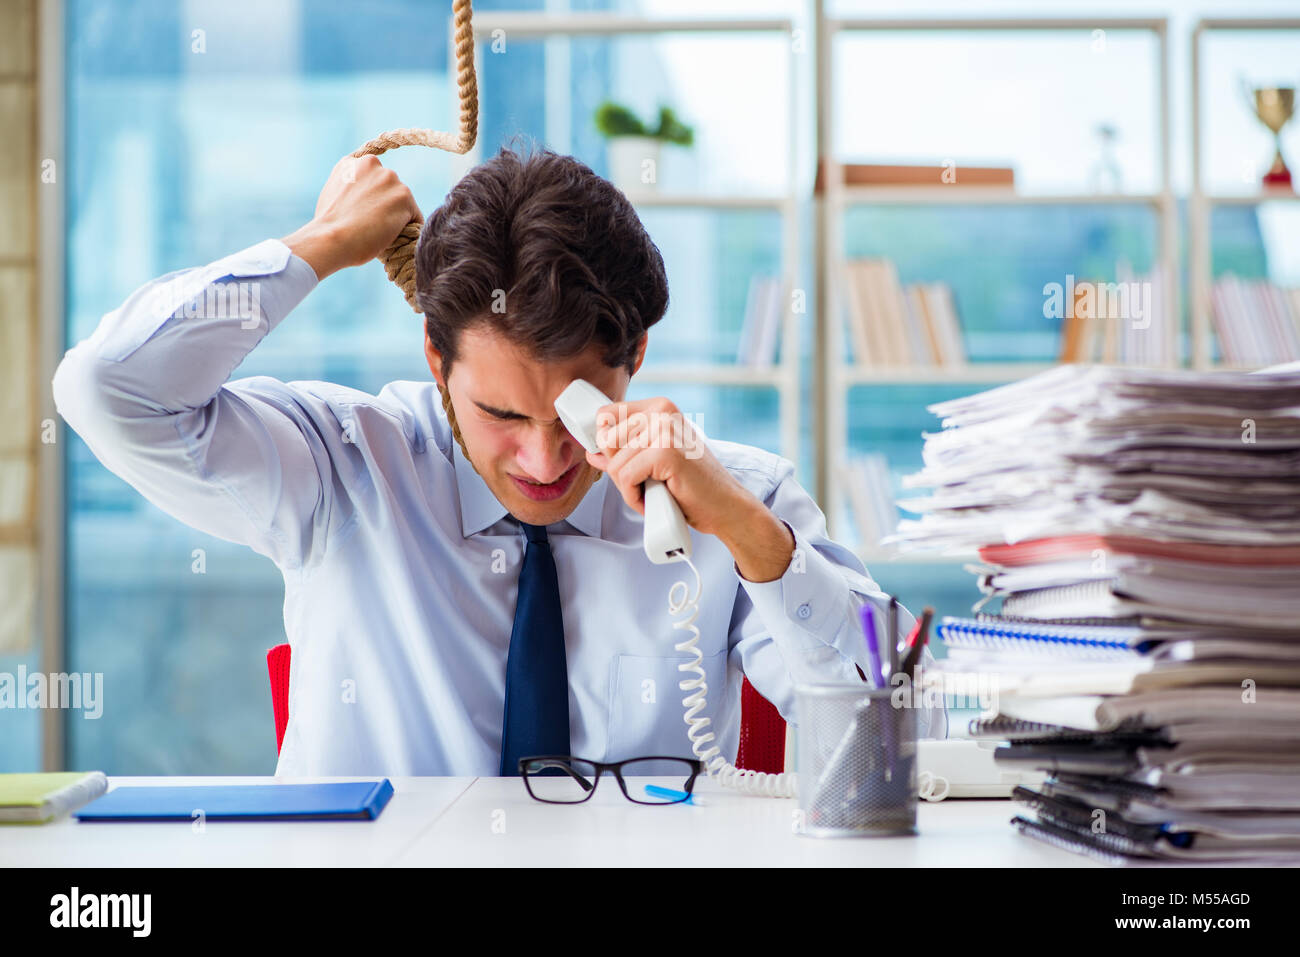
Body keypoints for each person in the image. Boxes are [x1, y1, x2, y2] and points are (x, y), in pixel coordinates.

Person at [52, 144, 945, 777]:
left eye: (573, 410)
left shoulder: (730, 497)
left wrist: (754, 539)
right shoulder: (346, 468)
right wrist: (318, 247)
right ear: (438, 368)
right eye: (501, 413)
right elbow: (108, 388)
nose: (545, 455)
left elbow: (914, 719)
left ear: (632, 360)